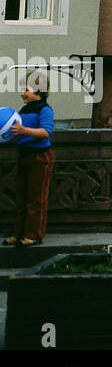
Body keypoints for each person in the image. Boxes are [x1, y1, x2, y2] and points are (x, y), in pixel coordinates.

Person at [5, 71, 55, 247]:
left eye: (26, 89)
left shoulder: (45, 110)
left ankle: (34, 235)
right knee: (21, 198)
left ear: (39, 91)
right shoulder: (24, 110)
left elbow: (46, 132)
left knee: (36, 199)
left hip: (40, 158)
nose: (21, 92)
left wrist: (24, 131)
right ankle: (18, 234)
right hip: (25, 156)